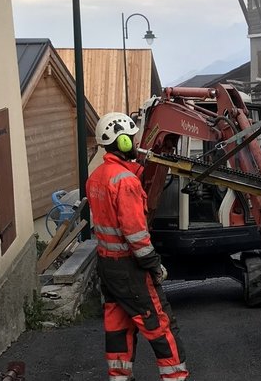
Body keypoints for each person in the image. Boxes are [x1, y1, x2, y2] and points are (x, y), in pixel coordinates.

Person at [87, 112, 188, 380]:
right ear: (121, 142)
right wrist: (154, 264)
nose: (134, 141)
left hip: (106, 266)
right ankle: (175, 377)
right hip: (129, 267)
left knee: (118, 325)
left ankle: (119, 377)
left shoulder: (96, 177)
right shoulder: (126, 182)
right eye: (131, 138)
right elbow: (135, 234)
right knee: (160, 325)